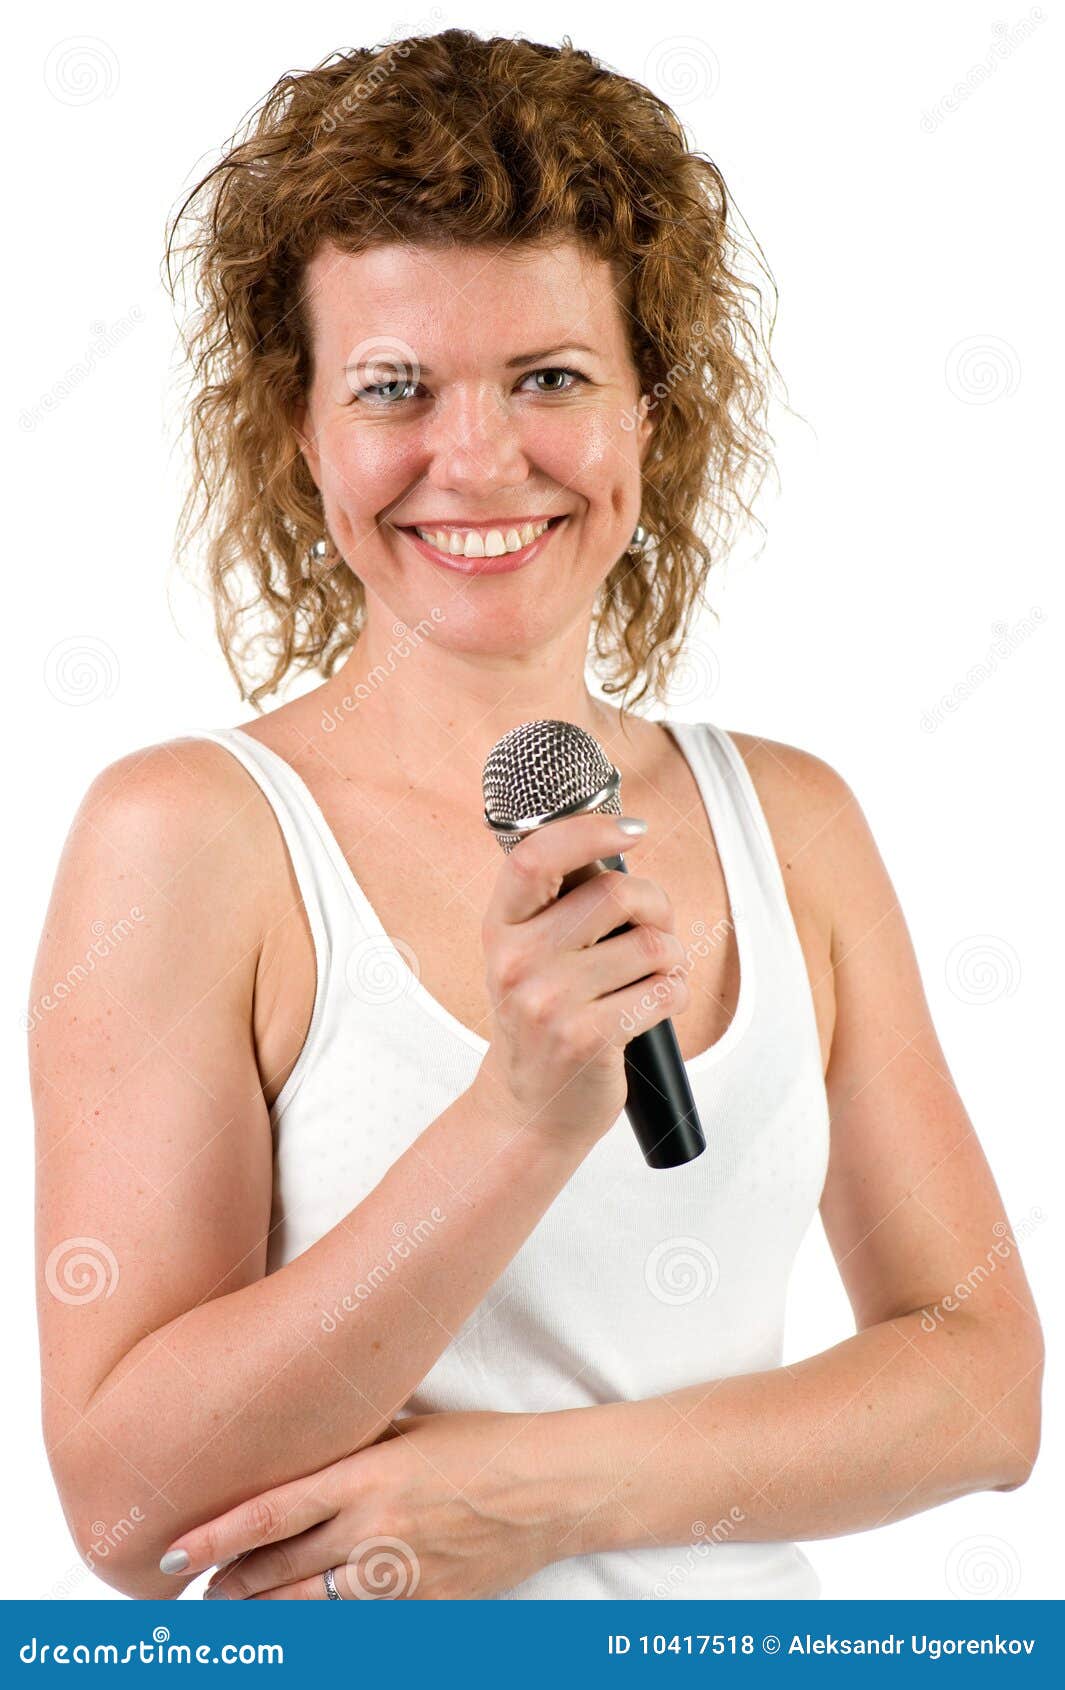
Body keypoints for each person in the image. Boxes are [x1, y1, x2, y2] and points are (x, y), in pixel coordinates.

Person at [30, 29, 1042, 1602]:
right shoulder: (191, 837)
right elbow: (127, 1501)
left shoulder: (793, 822)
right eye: (393, 389)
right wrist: (518, 1113)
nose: (477, 459)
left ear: (650, 409)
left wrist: (530, 1496)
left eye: (551, 376)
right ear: (305, 434)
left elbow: (982, 1388)